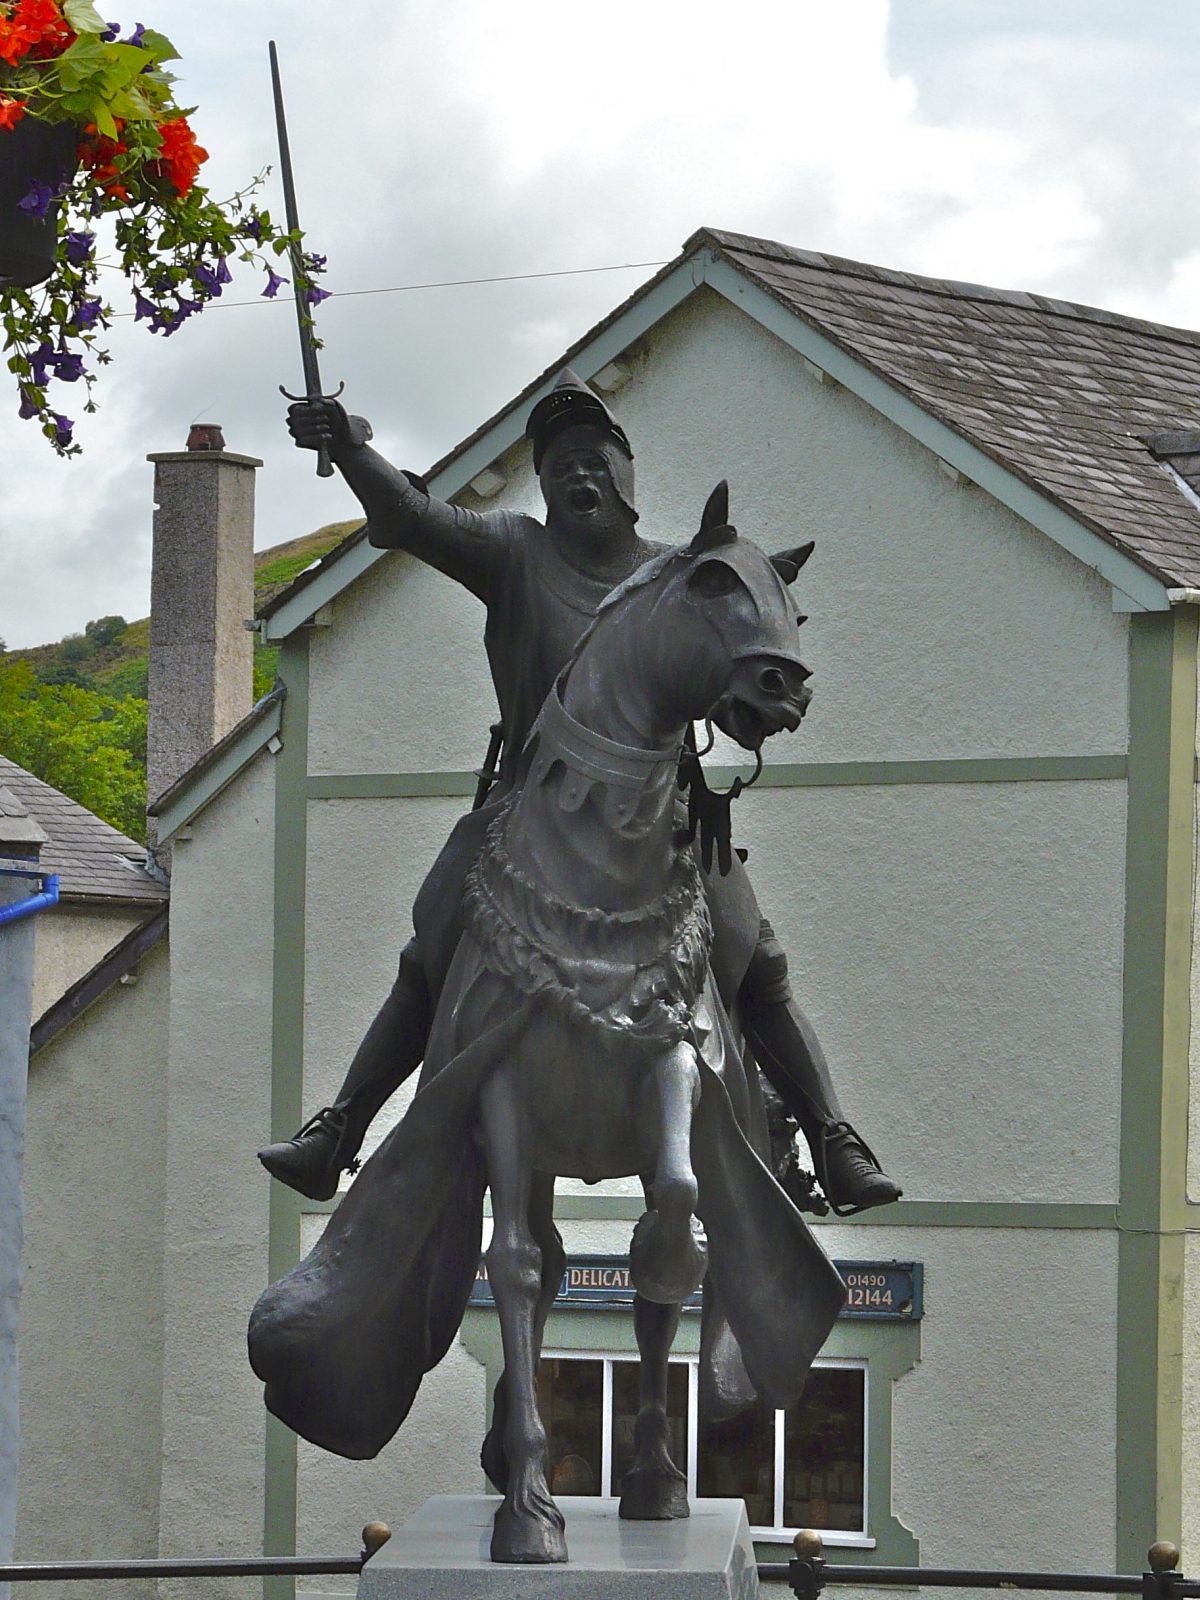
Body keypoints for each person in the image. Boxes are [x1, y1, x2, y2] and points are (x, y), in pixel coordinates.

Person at [259, 370, 900, 1216]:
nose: (578, 474)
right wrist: (348, 446)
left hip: (660, 820)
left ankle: (830, 1137)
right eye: (559, 462)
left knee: (758, 959)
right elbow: (412, 519)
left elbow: (728, 681)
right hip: (526, 807)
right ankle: (340, 1128)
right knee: (432, 944)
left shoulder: (677, 576)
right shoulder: (514, 551)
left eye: (595, 458)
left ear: (628, 478)